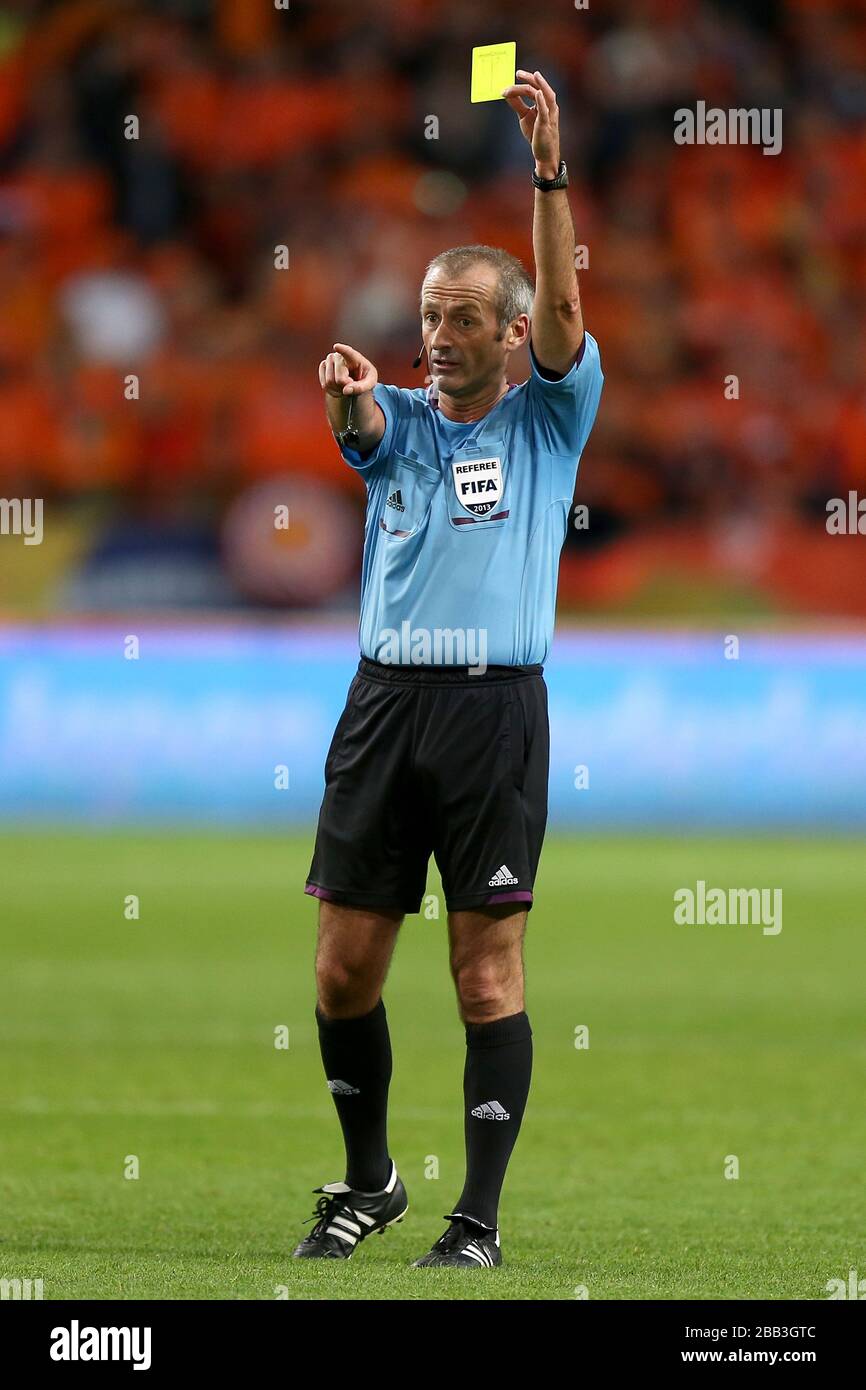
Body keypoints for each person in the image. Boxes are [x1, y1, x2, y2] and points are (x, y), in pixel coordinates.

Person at [293, 70, 603, 1269]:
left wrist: (545, 170)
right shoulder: (406, 423)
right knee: (339, 968)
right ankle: (370, 1179)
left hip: (490, 717)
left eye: (463, 315)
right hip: (383, 707)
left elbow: (569, 304)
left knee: (484, 971)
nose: (436, 332)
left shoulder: (546, 419)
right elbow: (360, 434)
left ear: (511, 333)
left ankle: (473, 1221)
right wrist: (347, 406)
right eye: (429, 312)